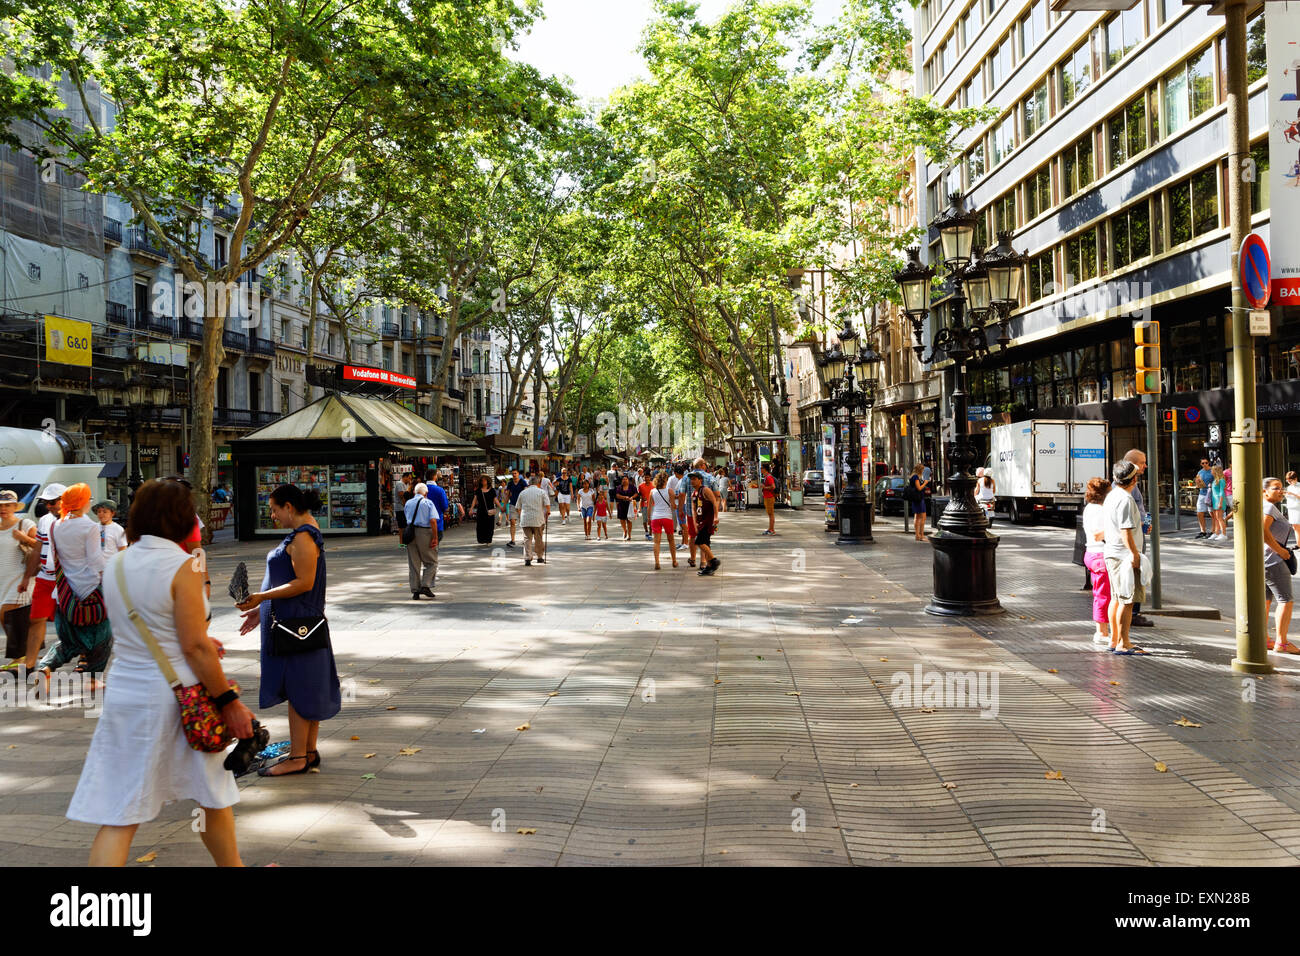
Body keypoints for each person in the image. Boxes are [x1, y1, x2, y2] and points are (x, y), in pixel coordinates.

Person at [66, 478, 253, 866]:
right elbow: (195, 647)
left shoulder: (116, 563)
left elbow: (148, 627)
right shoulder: (181, 566)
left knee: (120, 811)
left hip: (126, 693)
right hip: (182, 698)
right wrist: (229, 701)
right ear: (183, 519)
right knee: (212, 796)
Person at [236, 484, 340, 777]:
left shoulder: (305, 537)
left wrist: (262, 598)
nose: (273, 515)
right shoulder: (304, 533)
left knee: (299, 687)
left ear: (289, 507)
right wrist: (261, 610)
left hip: (298, 626)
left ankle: (298, 757)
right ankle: (306, 752)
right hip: (296, 622)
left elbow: (304, 583)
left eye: (274, 509)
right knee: (305, 684)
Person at [35, 484, 112, 688]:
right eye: (88, 499)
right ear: (82, 502)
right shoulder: (90, 527)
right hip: (90, 590)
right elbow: (95, 560)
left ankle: (46, 665)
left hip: (64, 592)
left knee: (70, 640)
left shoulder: (55, 526)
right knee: (103, 636)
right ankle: (94, 678)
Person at [18, 483, 64, 673]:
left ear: (64, 500)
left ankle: (85, 660)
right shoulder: (44, 520)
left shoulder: (77, 520)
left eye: (52, 502)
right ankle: (29, 665)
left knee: (75, 621)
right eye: (46, 502)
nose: (49, 506)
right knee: (36, 619)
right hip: (45, 577)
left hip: (67, 579)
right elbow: (37, 549)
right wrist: (27, 577)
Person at [1103, 460, 1148, 655]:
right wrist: (1134, 554)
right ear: (1134, 479)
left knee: (1116, 598)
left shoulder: (1112, 496)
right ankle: (1124, 643)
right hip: (1123, 556)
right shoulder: (1126, 500)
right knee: (1127, 600)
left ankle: (1114, 640)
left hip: (1112, 553)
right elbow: (1126, 532)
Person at [0, 490, 37, 672]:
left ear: (15, 506)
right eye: (0, 505)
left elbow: (39, 545)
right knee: (7, 619)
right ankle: (21, 658)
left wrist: (24, 538)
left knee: (9, 615)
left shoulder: (25, 523)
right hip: (2, 577)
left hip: (21, 577)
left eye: (7, 505)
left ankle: (21, 658)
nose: (3, 508)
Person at [1263, 477, 1300, 655]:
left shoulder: (1265, 506)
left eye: (1281, 488)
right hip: (1273, 560)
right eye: (1276, 488)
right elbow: (1263, 531)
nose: (1281, 491)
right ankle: (1282, 642)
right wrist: (1281, 551)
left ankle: (1264, 639)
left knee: (1265, 601)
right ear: (1265, 491)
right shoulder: (1268, 507)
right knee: (1286, 600)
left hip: (1263, 561)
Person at [1122, 449, 1155, 628]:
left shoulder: (1129, 488)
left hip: (1136, 538)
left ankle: (1133, 614)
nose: (1145, 466)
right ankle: (1133, 615)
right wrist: (1134, 553)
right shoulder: (1128, 491)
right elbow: (1127, 523)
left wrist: (1144, 523)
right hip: (1133, 543)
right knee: (1134, 581)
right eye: (1142, 463)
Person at [1081, 477, 1113, 646]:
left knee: (1102, 594)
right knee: (1103, 595)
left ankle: (1103, 630)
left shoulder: (1090, 508)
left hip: (1093, 554)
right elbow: (1097, 534)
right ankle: (1101, 632)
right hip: (1100, 554)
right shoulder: (1098, 510)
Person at [403, 482, 438, 599]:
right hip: (424, 533)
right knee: (432, 562)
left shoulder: (408, 503)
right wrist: (435, 536)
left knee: (413, 564)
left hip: (410, 533)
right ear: (426, 493)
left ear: (414, 492)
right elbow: (433, 521)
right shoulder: (428, 502)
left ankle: (415, 591)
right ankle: (425, 585)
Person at [690, 470, 721, 576]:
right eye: (691, 479)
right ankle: (709, 566)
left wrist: (716, 517)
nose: (692, 481)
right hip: (700, 522)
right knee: (706, 543)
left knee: (699, 542)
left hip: (708, 520)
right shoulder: (693, 493)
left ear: (700, 480)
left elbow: (714, 502)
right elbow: (694, 510)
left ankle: (713, 560)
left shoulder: (705, 490)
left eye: (694, 479)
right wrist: (695, 523)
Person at [517, 474, 549, 565]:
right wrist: (547, 513)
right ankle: (539, 557)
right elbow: (547, 505)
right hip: (538, 519)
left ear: (529, 483)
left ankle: (527, 558)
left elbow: (517, 507)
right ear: (538, 483)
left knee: (527, 539)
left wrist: (521, 515)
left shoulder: (523, 492)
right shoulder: (542, 492)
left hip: (525, 519)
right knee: (538, 539)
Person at [649, 471, 678, 570]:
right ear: (666, 480)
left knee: (656, 542)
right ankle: (674, 561)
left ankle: (657, 562)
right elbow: (673, 506)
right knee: (671, 540)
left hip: (655, 517)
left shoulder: (652, 491)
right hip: (667, 517)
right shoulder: (669, 491)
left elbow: (650, 507)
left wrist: (649, 519)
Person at [468, 474, 496, 545]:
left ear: (488, 481)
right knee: (481, 525)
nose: (483, 482)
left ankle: (488, 540)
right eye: (482, 481)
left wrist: (502, 507)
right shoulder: (478, 491)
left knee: (490, 526)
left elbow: (495, 500)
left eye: (484, 480)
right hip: (481, 511)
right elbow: (474, 500)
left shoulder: (492, 490)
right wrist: (471, 509)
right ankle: (481, 539)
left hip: (490, 511)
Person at [505, 468, 528, 549]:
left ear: (518, 474)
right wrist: (504, 505)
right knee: (512, 522)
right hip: (512, 504)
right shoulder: (510, 483)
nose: (514, 475)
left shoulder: (522, 482)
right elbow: (507, 494)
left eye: (515, 473)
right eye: (513, 473)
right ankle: (512, 540)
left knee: (523, 523)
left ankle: (525, 539)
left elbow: (526, 493)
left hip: (522, 505)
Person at [907, 463, 929, 541]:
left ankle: (918, 535)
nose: (923, 471)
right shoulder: (916, 477)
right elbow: (919, 488)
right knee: (922, 517)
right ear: (919, 470)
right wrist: (925, 483)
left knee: (917, 517)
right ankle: (921, 535)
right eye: (922, 469)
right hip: (919, 499)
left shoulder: (913, 476)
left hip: (916, 499)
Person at [1194, 458, 1213, 539]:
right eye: (1203, 463)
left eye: (1206, 463)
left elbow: (1218, 481)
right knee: (1199, 513)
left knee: (1212, 513)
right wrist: (1198, 483)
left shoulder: (1212, 471)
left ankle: (1213, 531)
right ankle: (1203, 531)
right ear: (1201, 464)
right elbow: (1197, 482)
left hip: (1211, 493)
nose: (1205, 464)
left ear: (1209, 463)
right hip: (1202, 494)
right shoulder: (1200, 472)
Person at [615, 475, 637, 540]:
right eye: (623, 479)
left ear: (628, 480)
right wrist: (624, 497)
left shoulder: (632, 487)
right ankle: (625, 530)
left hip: (629, 505)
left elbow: (636, 493)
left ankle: (629, 535)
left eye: (626, 479)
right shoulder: (619, 487)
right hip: (621, 505)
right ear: (621, 481)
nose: (624, 480)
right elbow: (617, 495)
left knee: (629, 520)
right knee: (622, 520)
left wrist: (631, 497)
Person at [1209, 464, 1227, 541]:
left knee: (1219, 518)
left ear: (1215, 471)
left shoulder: (1221, 480)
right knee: (1216, 518)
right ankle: (1216, 533)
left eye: (1212, 470)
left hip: (1219, 501)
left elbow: (1222, 492)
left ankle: (1223, 534)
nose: (1211, 471)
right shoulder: (1214, 481)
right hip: (1215, 501)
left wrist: (1220, 502)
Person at [761, 462, 777, 535]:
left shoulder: (769, 477)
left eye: (762, 468)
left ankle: (772, 530)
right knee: (770, 514)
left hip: (769, 497)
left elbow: (773, 486)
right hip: (767, 497)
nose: (761, 469)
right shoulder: (766, 477)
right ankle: (770, 528)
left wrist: (765, 487)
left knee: (771, 514)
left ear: (765, 469)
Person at [1286, 471, 1300, 544]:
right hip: (1291, 508)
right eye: (1288, 481)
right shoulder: (1288, 487)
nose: (1289, 482)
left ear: (1295, 479)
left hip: (1298, 508)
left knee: (1298, 527)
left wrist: (1292, 494)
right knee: (1295, 527)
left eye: (1290, 481)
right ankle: (1298, 544)